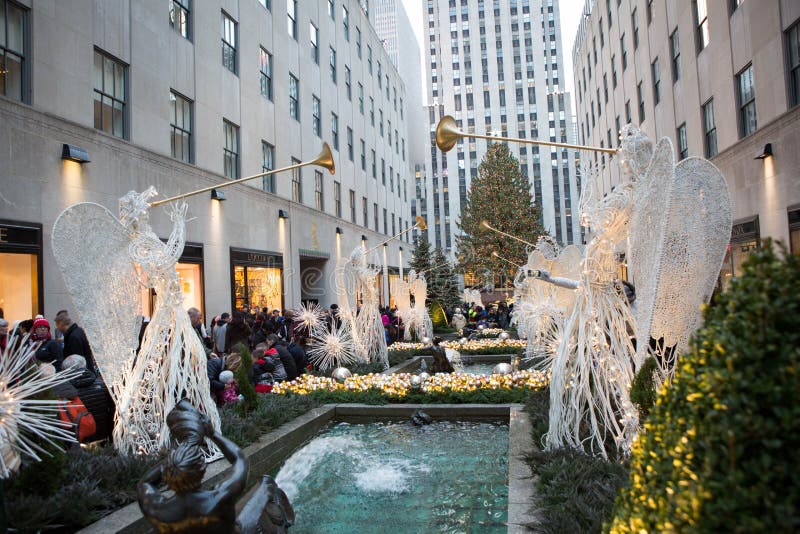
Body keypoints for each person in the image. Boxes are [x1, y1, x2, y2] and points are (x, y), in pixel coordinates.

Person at [137, 400, 294, 533]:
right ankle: (284, 525)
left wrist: (186, 446)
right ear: (202, 469)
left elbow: (144, 483)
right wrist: (211, 434)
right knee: (267, 482)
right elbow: (240, 459)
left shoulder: (156, 509)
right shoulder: (218, 498)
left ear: (165, 472)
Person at [62, 354, 115, 442]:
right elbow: (112, 412)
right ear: (85, 365)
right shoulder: (103, 385)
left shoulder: (64, 393)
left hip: (79, 441)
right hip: (104, 436)